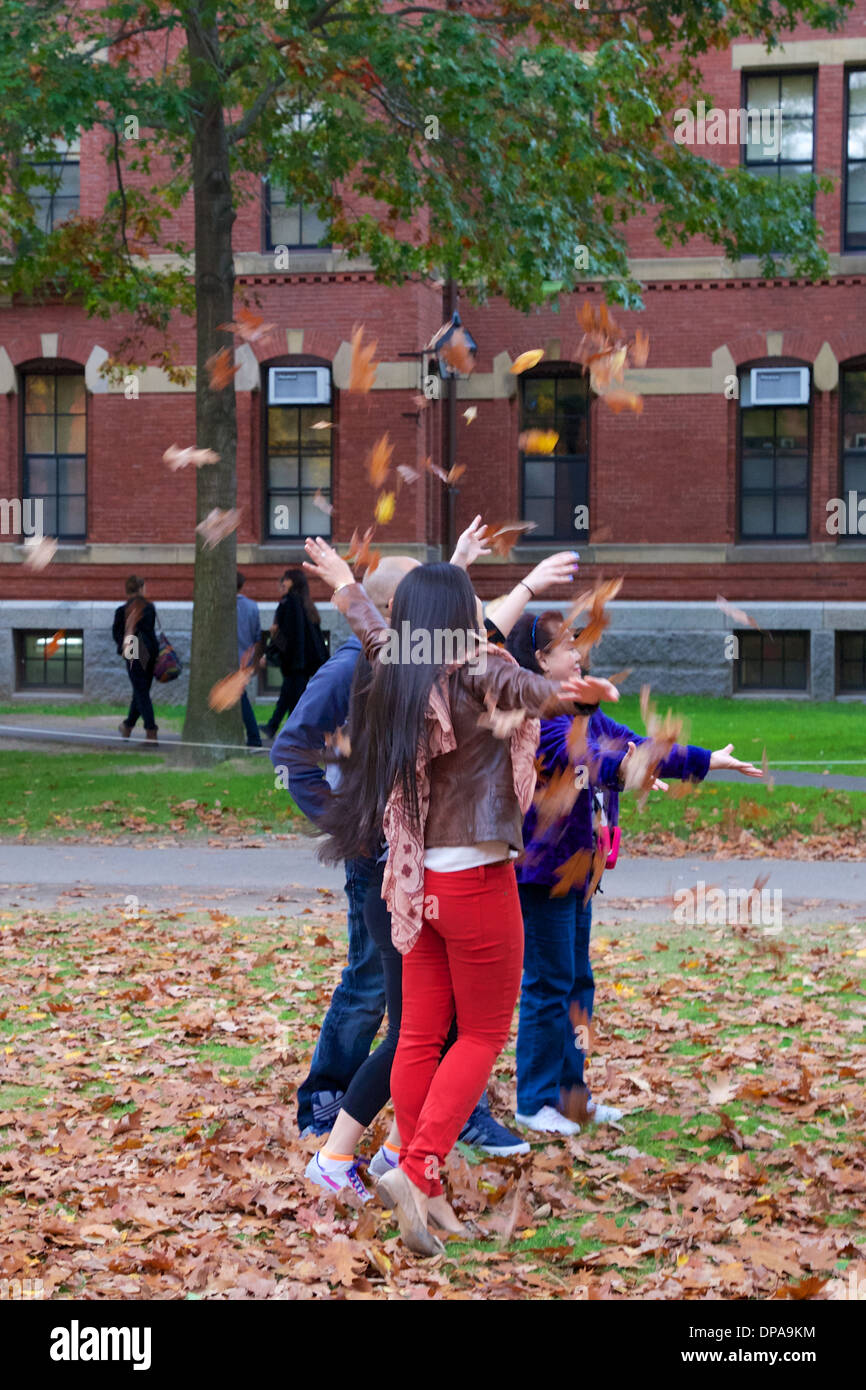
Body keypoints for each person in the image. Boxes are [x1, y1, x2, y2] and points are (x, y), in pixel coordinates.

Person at [302, 536, 618, 1254]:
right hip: (475, 881)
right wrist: (563, 692)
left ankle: (423, 1186)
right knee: (478, 1034)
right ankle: (418, 1168)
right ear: (459, 618)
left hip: (418, 883)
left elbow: (371, 628)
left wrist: (348, 583)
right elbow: (520, 688)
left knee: (418, 1034)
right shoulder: (478, 668)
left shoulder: (401, 667)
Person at [506, 610, 763, 1137]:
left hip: (581, 873)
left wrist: (710, 759)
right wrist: (627, 766)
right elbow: (592, 758)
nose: (578, 655)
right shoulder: (537, 720)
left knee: (578, 984)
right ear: (540, 661)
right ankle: (533, 1100)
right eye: (565, 649)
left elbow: (639, 747)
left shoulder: (586, 711)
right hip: (543, 877)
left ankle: (572, 1096)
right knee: (547, 984)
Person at [260, 570, 328, 739]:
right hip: (305, 661)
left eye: (287, 579)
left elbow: (286, 633)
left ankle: (291, 732)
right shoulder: (306, 604)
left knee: (294, 697)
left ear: (293, 582)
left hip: (294, 660)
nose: (284, 582)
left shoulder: (290, 603)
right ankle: (275, 726)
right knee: (289, 695)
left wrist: (269, 652)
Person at [113, 575, 159, 745]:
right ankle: (128, 726)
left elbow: (117, 634)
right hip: (150, 652)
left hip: (132, 649)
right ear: (141, 588)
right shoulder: (150, 608)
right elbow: (151, 631)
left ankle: (151, 731)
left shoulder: (121, 611)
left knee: (141, 692)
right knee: (141, 692)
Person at [236, 573, 263, 749]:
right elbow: (257, 637)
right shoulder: (252, 607)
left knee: (240, 698)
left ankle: (254, 737)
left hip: (230, 660)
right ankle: (253, 736)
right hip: (245, 658)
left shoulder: (220, 607)